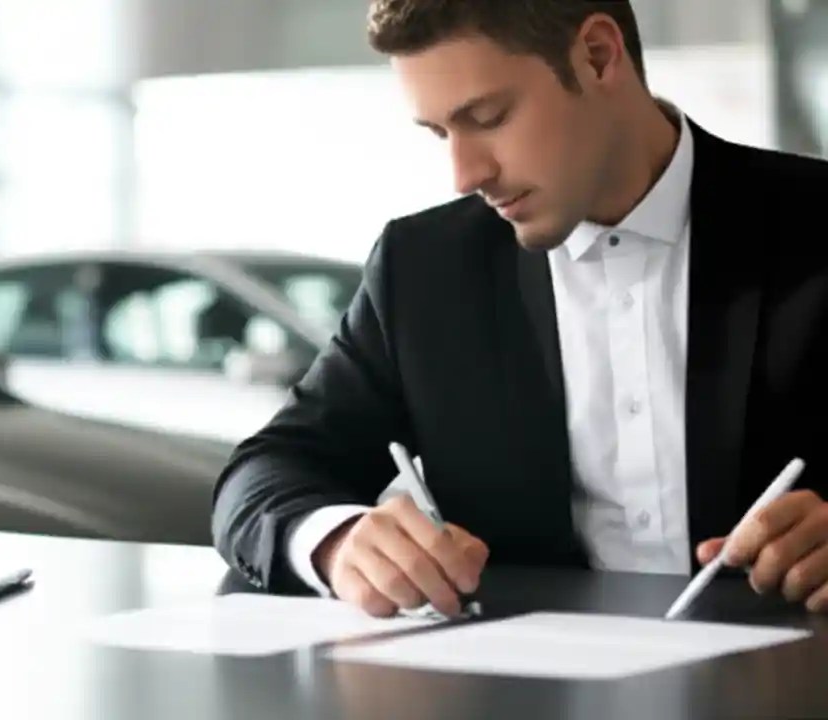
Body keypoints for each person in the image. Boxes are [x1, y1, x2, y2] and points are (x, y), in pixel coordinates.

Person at [211, 0, 828, 619]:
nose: (464, 173)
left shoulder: (816, 223)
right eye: (439, 133)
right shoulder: (423, 269)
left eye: (488, 116)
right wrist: (337, 543)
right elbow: (265, 473)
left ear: (598, 56)